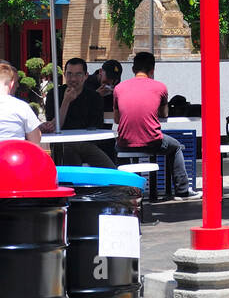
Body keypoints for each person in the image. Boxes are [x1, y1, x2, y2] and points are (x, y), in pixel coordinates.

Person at [114, 51, 198, 200]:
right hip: (152, 141)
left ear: (133, 69)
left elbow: (116, 119)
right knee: (176, 146)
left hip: (124, 143)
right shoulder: (160, 87)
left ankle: (124, 190)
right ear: (152, 70)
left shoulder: (119, 88)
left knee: (116, 147)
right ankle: (182, 190)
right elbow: (164, 114)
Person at [42, 57, 115, 167]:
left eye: (78, 74)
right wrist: (66, 101)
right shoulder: (54, 94)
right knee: (70, 157)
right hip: (62, 144)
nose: (73, 79)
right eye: (69, 74)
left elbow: (96, 126)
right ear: (65, 75)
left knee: (110, 170)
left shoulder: (94, 97)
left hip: (86, 144)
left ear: (86, 76)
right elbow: (54, 126)